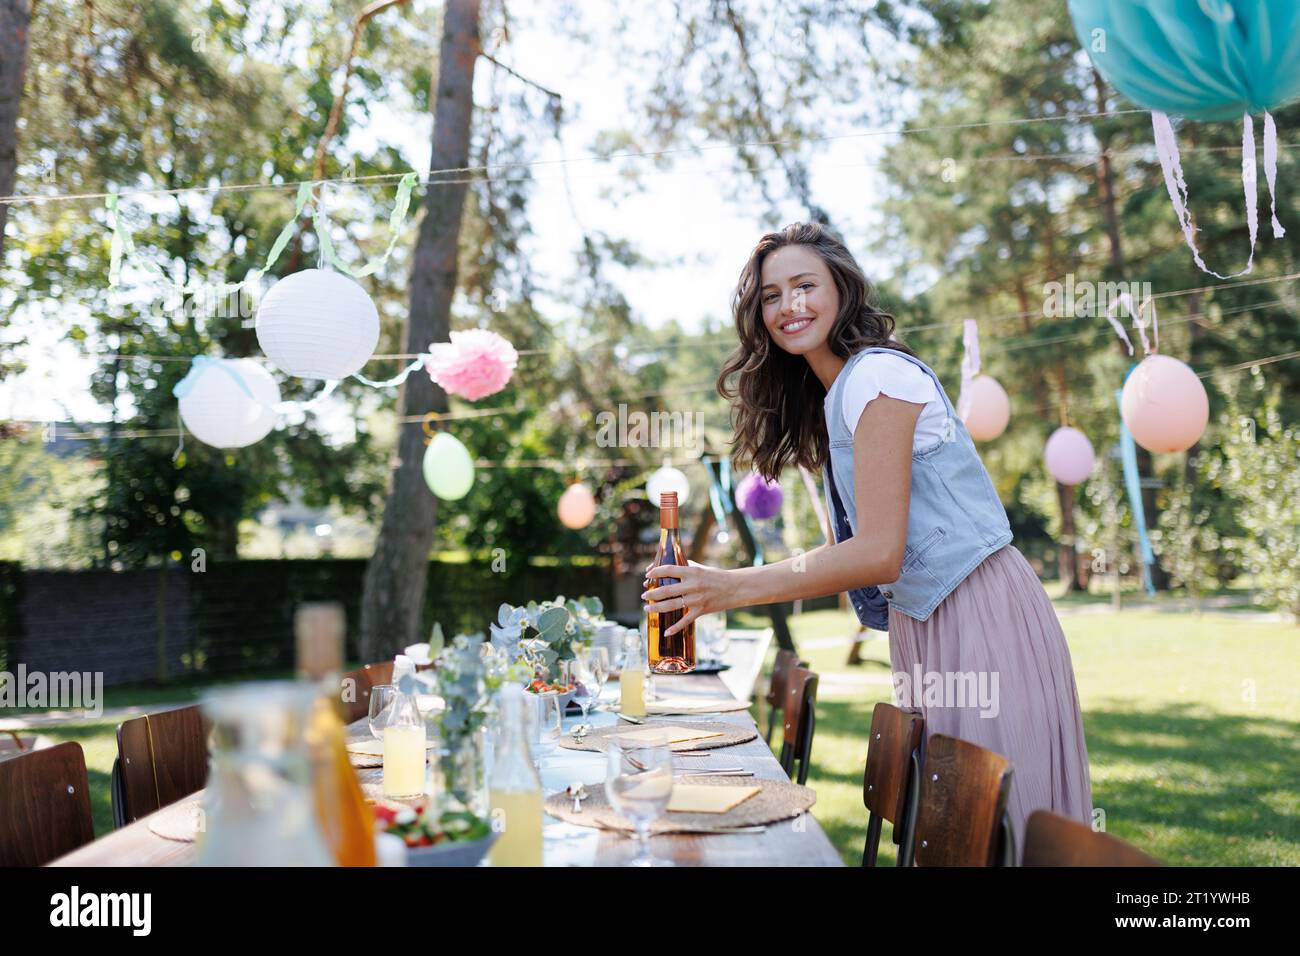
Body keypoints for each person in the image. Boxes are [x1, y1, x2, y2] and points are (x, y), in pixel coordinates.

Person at [642, 222, 1093, 853]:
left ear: (842, 290)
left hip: (980, 609)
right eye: (771, 296)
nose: (789, 306)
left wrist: (726, 589)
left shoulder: (877, 377)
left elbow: (878, 551)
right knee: (951, 828)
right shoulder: (840, 394)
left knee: (999, 824)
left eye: (805, 285)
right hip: (927, 619)